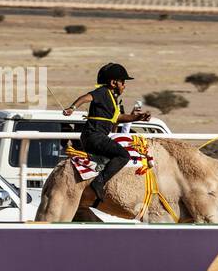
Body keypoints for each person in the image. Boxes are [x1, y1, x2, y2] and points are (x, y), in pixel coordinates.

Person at [62, 63, 151, 195]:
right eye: (123, 82)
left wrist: (138, 117)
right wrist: (72, 108)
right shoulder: (102, 92)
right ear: (113, 82)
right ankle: (99, 182)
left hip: (95, 136)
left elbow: (118, 118)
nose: (124, 85)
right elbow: (86, 97)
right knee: (123, 155)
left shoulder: (112, 98)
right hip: (95, 136)